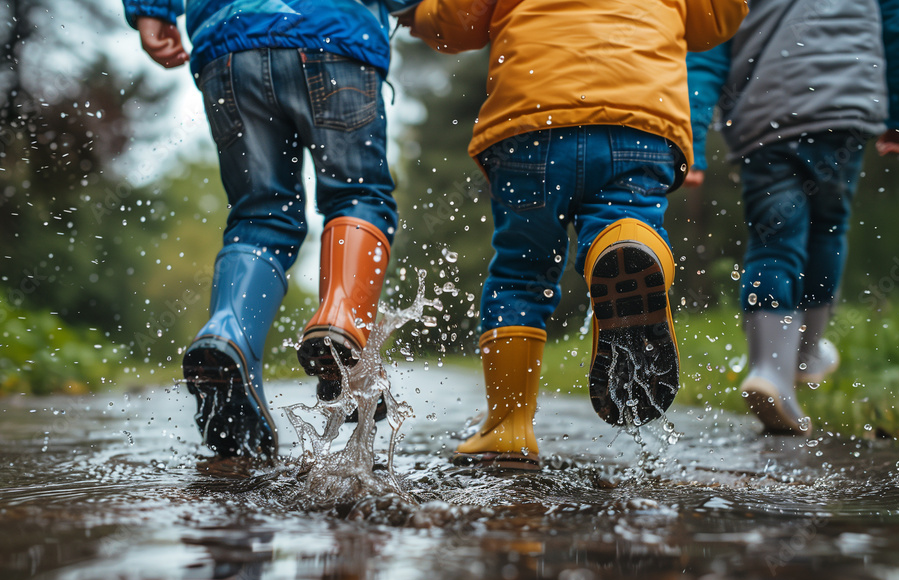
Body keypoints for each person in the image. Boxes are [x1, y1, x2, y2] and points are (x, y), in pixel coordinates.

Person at [401, 0, 749, 469]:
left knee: (520, 272)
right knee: (628, 219)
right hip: (640, 118)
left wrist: (417, 15)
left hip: (531, 120)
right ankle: (629, 244)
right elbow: (716, 20)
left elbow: (460, 21)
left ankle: (508, 429)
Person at [124, 0, 419, 457]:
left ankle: (228, 332)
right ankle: (341, 319)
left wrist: (150, 9)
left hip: (228, 41)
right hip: (334, 29)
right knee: (357, 194)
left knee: (259, 214)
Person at [685, 0, 899, 435]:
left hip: (762, 117)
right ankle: (806, 352)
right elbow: (898, 24)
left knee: (773, 241)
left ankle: (768, 370)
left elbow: (708, 51)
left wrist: (694, 143)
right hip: (841, 104)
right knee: (827, 228)